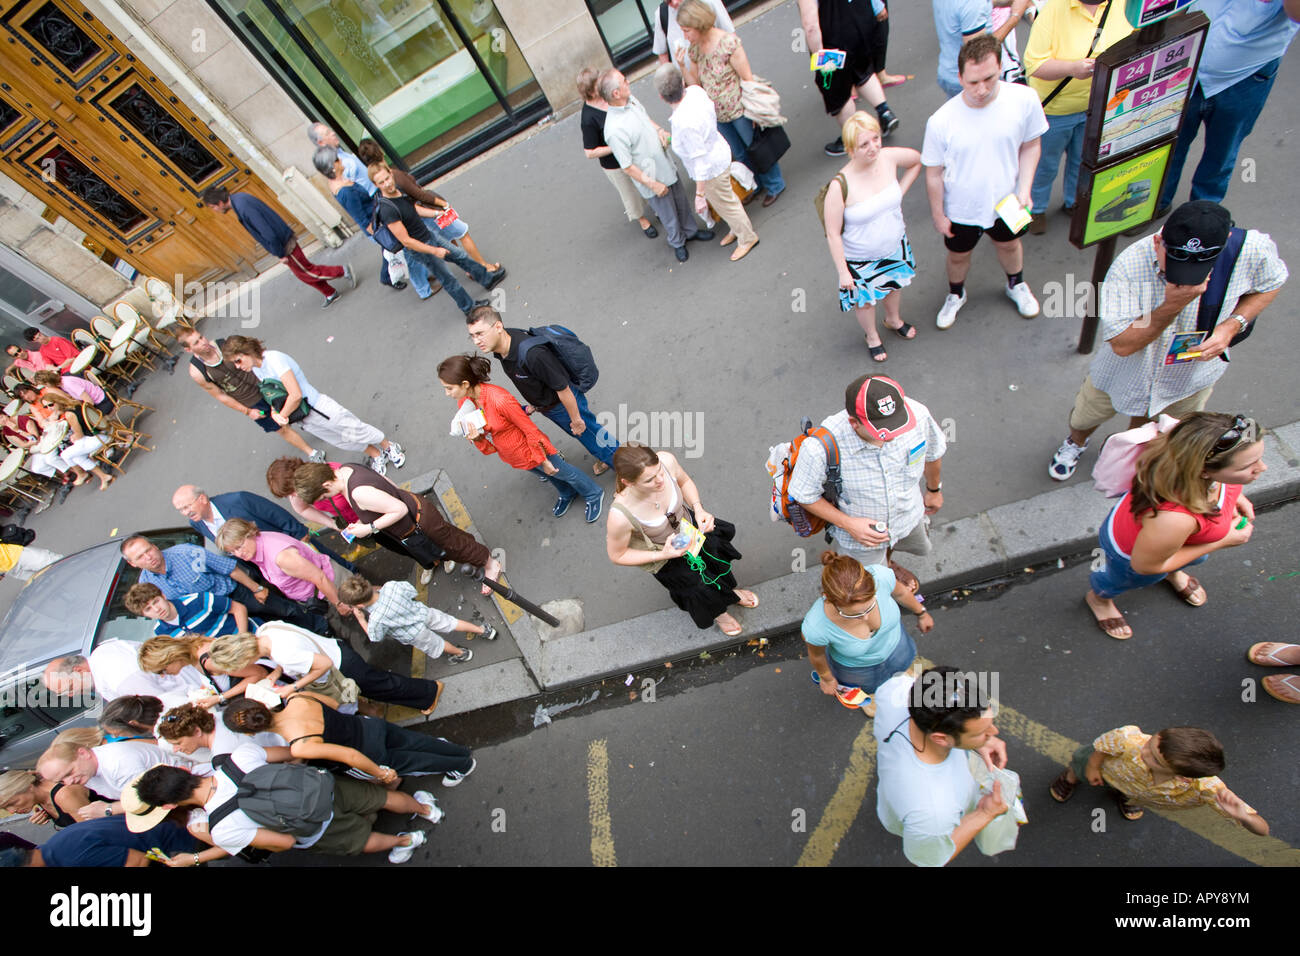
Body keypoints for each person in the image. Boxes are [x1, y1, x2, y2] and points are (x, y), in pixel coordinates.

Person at [1047, 201, 1287, 479]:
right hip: (1123, 372)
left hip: (1189, 377)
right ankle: (1075, 442)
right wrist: (1172, 305)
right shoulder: (1129, 265)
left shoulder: (1253, 250)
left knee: (1155, 432)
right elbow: (1123, 345)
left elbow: (1271, 284)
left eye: (1197, 269)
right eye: (1173, 265)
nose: (1183, 279)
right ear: (1159, 241)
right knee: (1086, 416)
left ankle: (1127, 456)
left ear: (1223, 247)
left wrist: (1233, 325)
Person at [1084, 412, 1265, 640]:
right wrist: (1222, 540)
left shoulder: (1200, 463)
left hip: (1176, 543)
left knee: (1179, 561)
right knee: (1118, 579)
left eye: (1260, 458)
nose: (1263, 468)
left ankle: (1171, 571)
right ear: (1204, 471)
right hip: (1132, 557)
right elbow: (1145, 566)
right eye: (1248, 466)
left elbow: (1222, 485)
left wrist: (1237, 498)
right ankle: (1099, 599)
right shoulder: (1173, 519)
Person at [125, 744, 439, 864]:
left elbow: (284, 841)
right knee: (381, 797)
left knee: (361, 840)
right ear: (183, 770)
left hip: (315, 828)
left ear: (169, 806)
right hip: (324, 786)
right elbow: (289, 754)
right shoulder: (237, 758)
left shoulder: (221, 827)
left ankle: (408, 840)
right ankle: (427, 810)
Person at [922, 33, 1047, 329]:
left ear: (1000, 67)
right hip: (961, 207)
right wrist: (939, 214)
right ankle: (956, 294)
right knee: (958, 255)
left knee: (1009, 245)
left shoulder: (1024, 98)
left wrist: (1025, 189)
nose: (981, 89)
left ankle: (1016, 284)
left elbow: (1031, 144)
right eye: (972, 82)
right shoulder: (941, 121)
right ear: (960, 77)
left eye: (989, 79)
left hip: (1008, 200)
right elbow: (933, 173)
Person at [786, 374, 946, 591]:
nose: (893, 434)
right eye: (883, 429)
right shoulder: (819, 448)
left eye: (897, 424)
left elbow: (932, 453)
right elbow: (803, 494)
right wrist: (849, 524)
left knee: (902, 547)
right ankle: (884, 574)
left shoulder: (917, 414)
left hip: (908, 515)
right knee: (867, 580)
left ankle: (888, 563)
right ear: (854, 423)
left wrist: (933, 489)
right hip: (859, 539)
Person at [1150, 0, 1300, 222]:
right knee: (1170, 139)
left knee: (1222, 151)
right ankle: (1157, 202)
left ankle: (1203, 215)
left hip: (1244, 77)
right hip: (1187, 58)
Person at [606, 444, 756, 636]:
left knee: (716, 565)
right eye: (650, 480)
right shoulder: (620, 515)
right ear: (628, 482)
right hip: (668, 557)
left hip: (692, 531)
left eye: (659, 471)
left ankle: (731, 594)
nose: (660, 480)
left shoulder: (666, 461)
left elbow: (684, 481)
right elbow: (617, 555)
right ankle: (720, 614)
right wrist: (663, 553)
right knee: (699, 589)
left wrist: (698, 508)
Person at [437, 354, 605, 523]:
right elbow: (483, 432)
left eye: (449, 388)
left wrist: (542, 458)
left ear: (465, 384)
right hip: (513, 454)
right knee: (549, 475)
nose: (446, 393)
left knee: (563, 472)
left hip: (531, 448)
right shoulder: (466, 403)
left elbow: (529, 429)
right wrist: (478, 437)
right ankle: (567, 492)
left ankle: (593, 493)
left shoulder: (499, 400)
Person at [289, 461, 501, 593]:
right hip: (417, 510)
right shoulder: (346, 469)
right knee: (453, 540)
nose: (327, 499)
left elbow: (397, 509)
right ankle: (481, 557)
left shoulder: (357, 492)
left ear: (325, 485)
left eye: (324, 496)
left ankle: (490, 564)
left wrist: (368, 527)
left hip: (417, 521)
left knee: (455, 546)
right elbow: (388, 484)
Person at [873, 665, 1011, 866]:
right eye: (981, 732)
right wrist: (985, 813)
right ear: (941, 739)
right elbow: (932, 859)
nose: (995, 731)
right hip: (913, 824)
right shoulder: (933, 816)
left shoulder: (896, 691)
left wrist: (979, 741)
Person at [220, 335, 405, 476]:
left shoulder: (275, 360)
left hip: (317, 408)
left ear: (247, 351)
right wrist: (276, 411)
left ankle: (389, 447)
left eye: (238, 360)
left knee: (354, 428)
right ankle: (376, 454)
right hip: (304, 417)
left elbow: (295, 394)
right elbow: (274, 394)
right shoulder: (258, 369)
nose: (238, 366)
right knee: (342, 439)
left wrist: (282, 416)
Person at [467, 305, 619, 474]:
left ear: (498, 327)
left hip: (563, 404)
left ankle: (628, 471)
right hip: (550, 406)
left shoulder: (533, 355)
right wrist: (537, 404)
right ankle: (606, 456)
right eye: (472, 336)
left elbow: (563, 389)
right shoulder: (502, 348)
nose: (476, 341)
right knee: (587, 435)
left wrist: (576, 419)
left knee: (591, 433)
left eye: (480, 334)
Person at [1023, 0, 1132, 234]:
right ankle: (1036, 209)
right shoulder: (1054, 9)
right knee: (1045, 165)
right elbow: (1034, 64)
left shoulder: (1124, 4)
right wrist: (1072, 68)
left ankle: (1074, 202)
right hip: (1055, 110)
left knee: (1082, 160)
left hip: (1099, 105)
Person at [823, 110, 922, 361]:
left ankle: (893, 320)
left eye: (876, 139)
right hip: (861, 257)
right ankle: (872, 336)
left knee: (894, 285)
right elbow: (833, 233)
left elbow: (916, 161)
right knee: (866, 302)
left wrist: (900, 191)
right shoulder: (839, 186)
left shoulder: (888, 157)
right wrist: (843, 271)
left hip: (894, 244)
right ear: (850, 149)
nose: (873, 147)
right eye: (864, 144)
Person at [1050, 724, 1269, 833]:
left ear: (1182, 776)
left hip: (1138, 791)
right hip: (1108, 771)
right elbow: (1101, 748)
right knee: (1079, 767)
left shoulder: (1209, 789)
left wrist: (1246, 818)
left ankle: (1127, 799)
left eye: (1154, 759)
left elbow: (1262, 830)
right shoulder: (1130, 740)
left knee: (1132, 795)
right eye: (1151, 743)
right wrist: (1092, 767)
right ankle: (1070, 778)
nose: (1143, 752)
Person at [208, 618, 447, 715]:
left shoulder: (283, 653)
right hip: (336, 649)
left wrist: (294, 687)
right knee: (380, 684)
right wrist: (276, 674)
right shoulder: (265, 631)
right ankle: (425, 694)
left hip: (342, 666)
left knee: (383, 686)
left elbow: (323, 665)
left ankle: (428, 693)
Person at [225, 694, 477, 783]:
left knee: (416, 763)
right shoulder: (298, 698)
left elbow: (349, 756)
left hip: (369, 752)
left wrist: (380, 774)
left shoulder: (301, 746)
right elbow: (335, 704)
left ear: (251, 733)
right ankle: (458, 751)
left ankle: (462, 765)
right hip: (369, 726)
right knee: (414, 741)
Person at [677, 0, 785, 207]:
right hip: (717, 114)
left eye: (687, 30)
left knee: (757, 147)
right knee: (741, 153)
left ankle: (774, 184)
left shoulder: (728, 43)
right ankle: (755, 183)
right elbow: (696, 85)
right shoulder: (695, 50)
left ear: (699, 24)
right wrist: (683, 66)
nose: (685, 36)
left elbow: (747, 79)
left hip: (739, 109)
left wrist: (754, 112)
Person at [598, 68, 713, 262]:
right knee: (668, 214)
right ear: (615, 93)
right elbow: (627, 167)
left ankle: (690, 231)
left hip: (664, 164)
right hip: (651, 177)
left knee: (680, 201)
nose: (628, 82)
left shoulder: (631, 101)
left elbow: (646, 119)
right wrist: (653, 185)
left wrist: (659, 130)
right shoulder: (614, 130)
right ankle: (677, 242)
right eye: (624, 81)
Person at [368, 160, 507, 315]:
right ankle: (469, 307)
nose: (387, 184)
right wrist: (434, 251)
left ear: (390, 173)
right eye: (382, 182)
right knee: (448, 278)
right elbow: (406, 241)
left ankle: (487, 278)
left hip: (428, 234)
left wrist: (436, 213)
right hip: (422, 248)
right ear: (376, 185)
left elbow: (413, 209)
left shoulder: (398, 190)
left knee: (460, 256)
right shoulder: (387, 210)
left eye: (387, 178)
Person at [121, 533, 328, 635]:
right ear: (133, 563)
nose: (149, 557)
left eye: (148, 550)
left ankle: (321, 628)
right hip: (214, 615)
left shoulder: (186, 553)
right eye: (141, 557)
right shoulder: (146, 585)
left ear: (155, 546)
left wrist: (255, 588)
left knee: (284, 611)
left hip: (236, 594)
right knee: (268, 631)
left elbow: (229, 568)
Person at [655, 62, 760, 261]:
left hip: (711, 167)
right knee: (725, 199)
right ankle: (737, 229)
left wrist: (700, 194)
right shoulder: (695, 92)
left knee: (726, 202)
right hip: (719, 151)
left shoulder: (683, 122)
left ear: (662, 97)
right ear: (682, 83)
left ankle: (747, 237)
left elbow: (699, 161)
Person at [803, 551, 932, 712]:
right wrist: (827, 678)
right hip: (858, 670)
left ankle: (899, 673)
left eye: (869, 607)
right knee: (869, 689)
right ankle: (871, 697)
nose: (865, 618)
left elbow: (901, 593)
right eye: (853, 614)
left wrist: (921, 612)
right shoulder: (816, 627)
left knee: (901, 666)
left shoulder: (881, 576)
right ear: (828, 599)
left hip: (897, 646)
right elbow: (817, 655)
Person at [355, 138, 498, 276]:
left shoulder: (380, 183)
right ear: (380, 151)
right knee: (462, 233)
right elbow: (420, 195)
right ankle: (484, 267)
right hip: (427, 210)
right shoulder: (393, 175)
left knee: (450, 240)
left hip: (418, 217)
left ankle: (471, 270)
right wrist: (443, 204)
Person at [201, 185, 354, 307]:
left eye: (213, 207)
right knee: (303, 274)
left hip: (284, 244)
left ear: (219, 203)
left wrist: (280, 253)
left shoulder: (242, 207)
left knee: (307, 272)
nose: (215, 211)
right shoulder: (240, 199)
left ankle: (342, 271)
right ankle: (330, 293)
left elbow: (267, 232)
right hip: (283, 241)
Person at [178, 328, 318, 457]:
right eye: (197, 342)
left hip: (266, 384)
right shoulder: (197, 372)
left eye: (201, 337)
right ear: (188, 349)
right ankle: (312, 453)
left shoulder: (223, 344)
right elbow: (220, 395)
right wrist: (247, 411)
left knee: (296, 407)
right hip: (251, 402)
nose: (204, 342)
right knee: (281, 428)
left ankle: (317, 428)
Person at [172, 482, 355, 572]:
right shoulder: (196, 523)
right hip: (268, 562)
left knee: (326, 561)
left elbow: (275, 514)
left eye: (187, 506)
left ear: (202, 499)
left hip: (291, 544)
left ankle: (353, 573)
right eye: (180, 510)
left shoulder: (239, 500)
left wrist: (300, 535)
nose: (185, 512)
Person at [796, 0, 901, 156]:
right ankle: (884, 112)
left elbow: (810, 25)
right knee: (863, 71)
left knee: (838, 92)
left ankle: (854, 137)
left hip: (833, 40)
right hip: (860, 25)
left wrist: (819, 55)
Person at [36, 727, 192, 819]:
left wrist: (107, 810)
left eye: (69, 772)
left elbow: (152, 797)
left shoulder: (117, 763)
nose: (69, 782)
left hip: (188, 790)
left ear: (83, 753)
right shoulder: (86, 771)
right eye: (62, 781)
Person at [340, 573, 494, 666]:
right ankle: (483, 631)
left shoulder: (376, 619)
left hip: (414, 634)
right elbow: (411, 590)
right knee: (451, 622)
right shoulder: (390, 587)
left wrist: (361, 620)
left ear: (359, 605)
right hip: (423, 613)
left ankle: (461, 653)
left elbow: (375, 636)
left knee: (437, 644)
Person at [216, 519, 352, 623]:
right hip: (320, 593)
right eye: (232, 551)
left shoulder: (281, 557)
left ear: (250, 534)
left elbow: (320, 577)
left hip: (336, 589)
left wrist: (338, 603)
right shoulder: (256, 546)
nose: (239, 554)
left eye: (239, 547)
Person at [577, 67, 658, 240]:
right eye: (598, 84)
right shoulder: (588, 118)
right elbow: (589, 152)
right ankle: (642, 220)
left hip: (635, 151)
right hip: (614, 164)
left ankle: (658, 206)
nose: (602, 84)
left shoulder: (609, 97)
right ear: (590, 91)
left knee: (648, 179)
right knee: (630, 193)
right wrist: (616, 147)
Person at [313, 144, 403, 292]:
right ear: (332, 167)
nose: (340, 160)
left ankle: (389, 276)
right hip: (376, 223)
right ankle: (395, 277)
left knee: (391, 251)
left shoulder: (339, 181)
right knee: (393, 249)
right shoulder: (345, 192)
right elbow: (361, 218)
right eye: (336, 160)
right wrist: (381, 234)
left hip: (378, 218)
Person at [136, 632, 274, 707]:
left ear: (170, 658)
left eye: (162, 670)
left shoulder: (208, 661)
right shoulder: (194, 647)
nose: (163, 676)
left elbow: (258, 673)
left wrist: (219, 698)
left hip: (273, 687)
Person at [930, 0, 1033, 98]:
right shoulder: (972, 4)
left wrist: (999, 2)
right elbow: (980, 51)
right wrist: (1015, 17)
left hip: (949, 72)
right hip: (973, 81)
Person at [13, 814, 199, 867]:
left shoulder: (71, 857)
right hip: (168, 829)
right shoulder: (54, 845)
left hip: (180, 841)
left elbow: (138, 861)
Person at [126, 580, 257, 638]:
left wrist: (242, 637)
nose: (156, 609)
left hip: (251, 635)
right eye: (148, 609)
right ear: (144, 615)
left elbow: (238, 608)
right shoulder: (161, 632)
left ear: (163, 596)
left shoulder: (198, 600)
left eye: (156, 601)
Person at [39, 392, 115, 491]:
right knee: (76, 457)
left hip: (96, 438)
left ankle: (83, 474)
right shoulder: (75, 404)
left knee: (65, 455)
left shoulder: (69, 414)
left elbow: (79, 435)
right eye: (46, 407)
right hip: (101, 430)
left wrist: (74, 436)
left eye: (51, 404)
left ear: (57, 401)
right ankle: (103, 476)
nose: (49, 408)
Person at [266, 455, 362, 530]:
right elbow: (302, 509)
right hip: (353, 522)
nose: (294, 496)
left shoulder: (331, 473)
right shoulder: (300, 492)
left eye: (293, 491)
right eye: (289, 495)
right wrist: (333, 524)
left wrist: (364, 524)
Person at [0, 769, 99, 829]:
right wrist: (50, 815)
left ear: (29, 787)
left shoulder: (64, 795)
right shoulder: (40, 797)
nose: (12, 811)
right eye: (5, 808)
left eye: (13, 803)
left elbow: (96, 830)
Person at [653, 0, 733, 66]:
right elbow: (663, 54)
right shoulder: (661, 14)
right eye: (668, 1)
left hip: (721, 76)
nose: (674, 2)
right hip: (688, 82)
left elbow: (731, 37)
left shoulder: (709, 2)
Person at [31, 368, 113, 415]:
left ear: (48, 382)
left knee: (90, 423)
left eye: (45, 385)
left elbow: (89, 400)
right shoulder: (62, 384)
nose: (46, 387)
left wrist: (86, 413)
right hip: (97, 400)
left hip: (102, 400)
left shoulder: (68, 383)